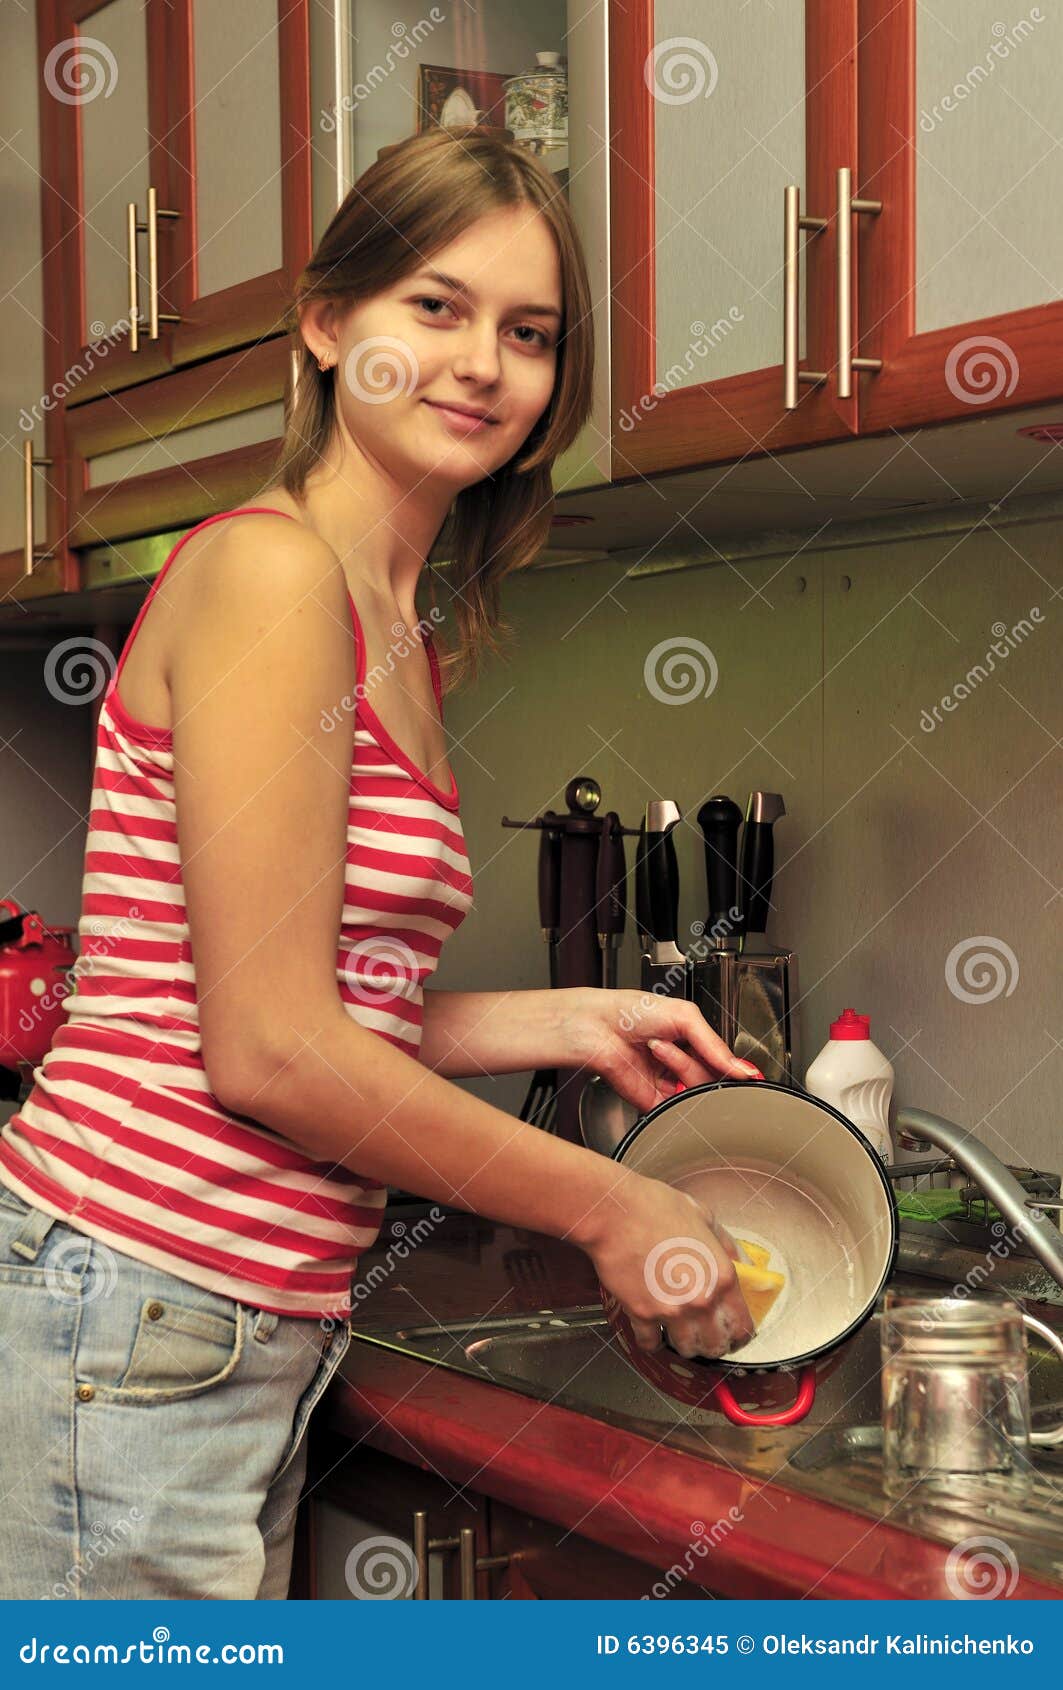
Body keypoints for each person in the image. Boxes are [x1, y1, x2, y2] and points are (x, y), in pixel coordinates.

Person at [0, 127, 761, 1601]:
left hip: (209, 1324)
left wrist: (564, 1020)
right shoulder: (275, 577)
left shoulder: (395, 626)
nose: (484, 361)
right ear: (328, 321)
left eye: (528, 333)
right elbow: (271, 1050)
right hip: (141, 1302)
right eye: (435, 305)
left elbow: (289, 996)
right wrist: (613, 1205)